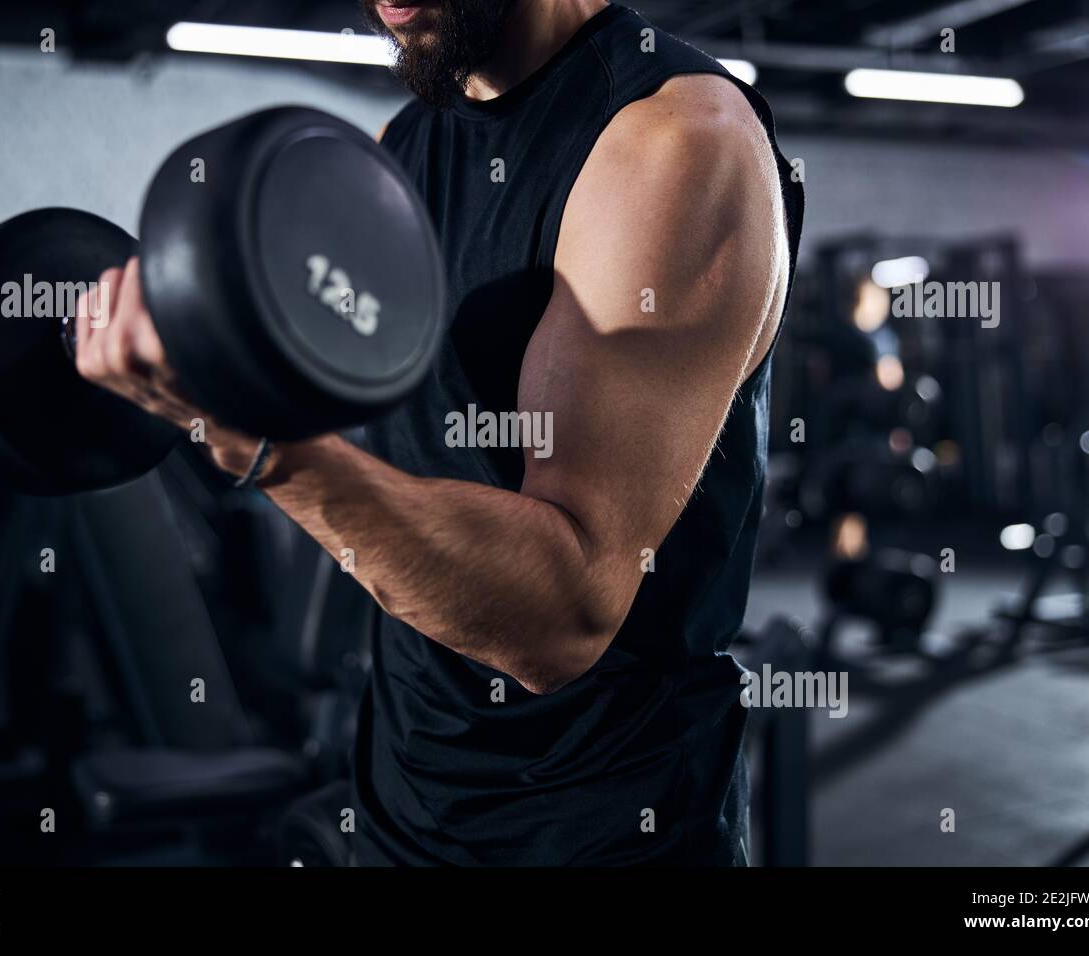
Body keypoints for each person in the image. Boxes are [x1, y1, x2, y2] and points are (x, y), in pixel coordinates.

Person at [73, 0, 804, 865]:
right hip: (402, 798)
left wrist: (263, 449)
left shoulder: (673, 141)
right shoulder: (402, 147)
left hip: (603, 829)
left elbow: (564, 613)